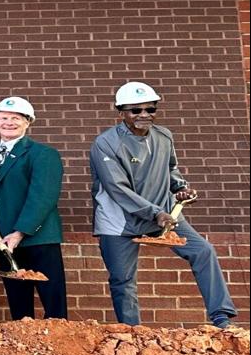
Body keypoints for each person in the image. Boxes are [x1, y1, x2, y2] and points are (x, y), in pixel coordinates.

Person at [89, 81, 237, 328]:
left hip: (164, 214)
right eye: (136, 110)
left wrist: (180, 188)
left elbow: (171, 168)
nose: (144, 115)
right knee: (122, 280)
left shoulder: (164, 136)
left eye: (150, 109)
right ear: (121, 112)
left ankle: (221, 316)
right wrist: (155, 213)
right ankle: (132, 333)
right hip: (119, 221)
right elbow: (117, 188)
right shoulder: (105, 143)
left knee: (203, 251)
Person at [0, 96, 67, 320]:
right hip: (2, 234)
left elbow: (43, 196)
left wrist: (20, 232)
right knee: (17, 299)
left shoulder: (42, 154)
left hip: (38, 236)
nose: (9, 122)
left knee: (52, 300)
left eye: (16, 118)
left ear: (27, 122)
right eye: (3, 117)